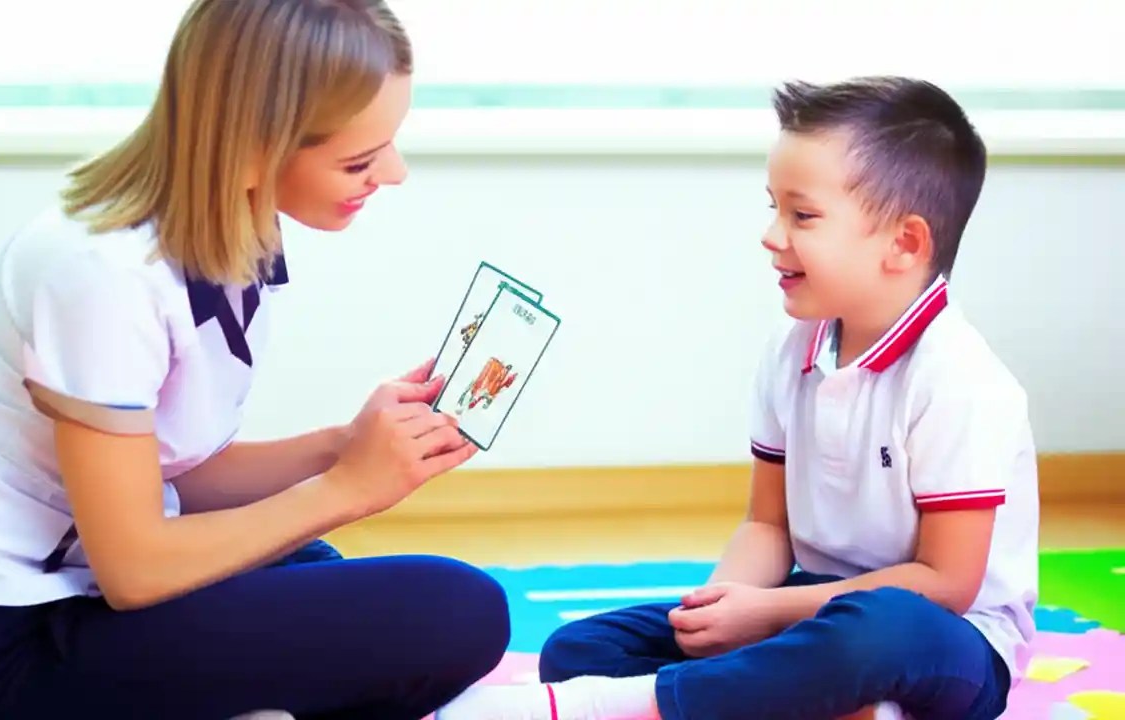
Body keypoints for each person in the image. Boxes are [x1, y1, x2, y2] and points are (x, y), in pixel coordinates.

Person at [0, 1, 511, 718]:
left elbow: (171, 470)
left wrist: (343, 447)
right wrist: (348, 489)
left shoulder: (229, 225)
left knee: (320, 576)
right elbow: (136, 569)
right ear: (251, 149)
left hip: (83, 594)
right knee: (455, 609)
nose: (391, 174)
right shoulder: (100, 272)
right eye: (359, 159)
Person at [436, 76, 1038, 720]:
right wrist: (723, 605)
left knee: (877, 626)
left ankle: (636, 706)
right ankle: (803, 703)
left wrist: (770, 611)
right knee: (581, 648)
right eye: (773, 207)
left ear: (904, 243)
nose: (771, 234)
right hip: (808, 608)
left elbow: (945, 584)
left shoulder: (960, 380)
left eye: (802, 215)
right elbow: (767, 524)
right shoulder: (794, 347)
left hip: (946, 641)